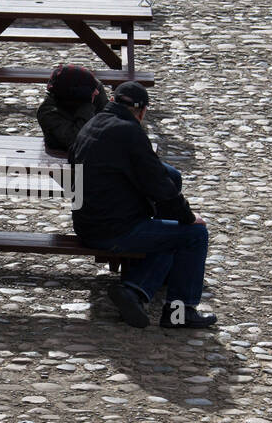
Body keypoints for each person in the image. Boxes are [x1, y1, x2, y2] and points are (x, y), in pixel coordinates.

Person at [70, 82, 217, 329]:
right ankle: (179, 313)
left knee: (169, 219)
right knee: (193, 235)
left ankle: (135, 291)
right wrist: (188, 217)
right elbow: (158, 184)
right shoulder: (130, 132)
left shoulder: (93, 123)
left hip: (87, 222)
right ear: (141, 110)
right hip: (113, 231)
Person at [37, 64, 108, 155]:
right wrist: (87, 105)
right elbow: (79, 141)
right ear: (77, 94)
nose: (97, 92)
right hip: (62, 155)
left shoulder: (93, 86)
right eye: (92, 90)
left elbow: (108, 115)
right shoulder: (48, 112)